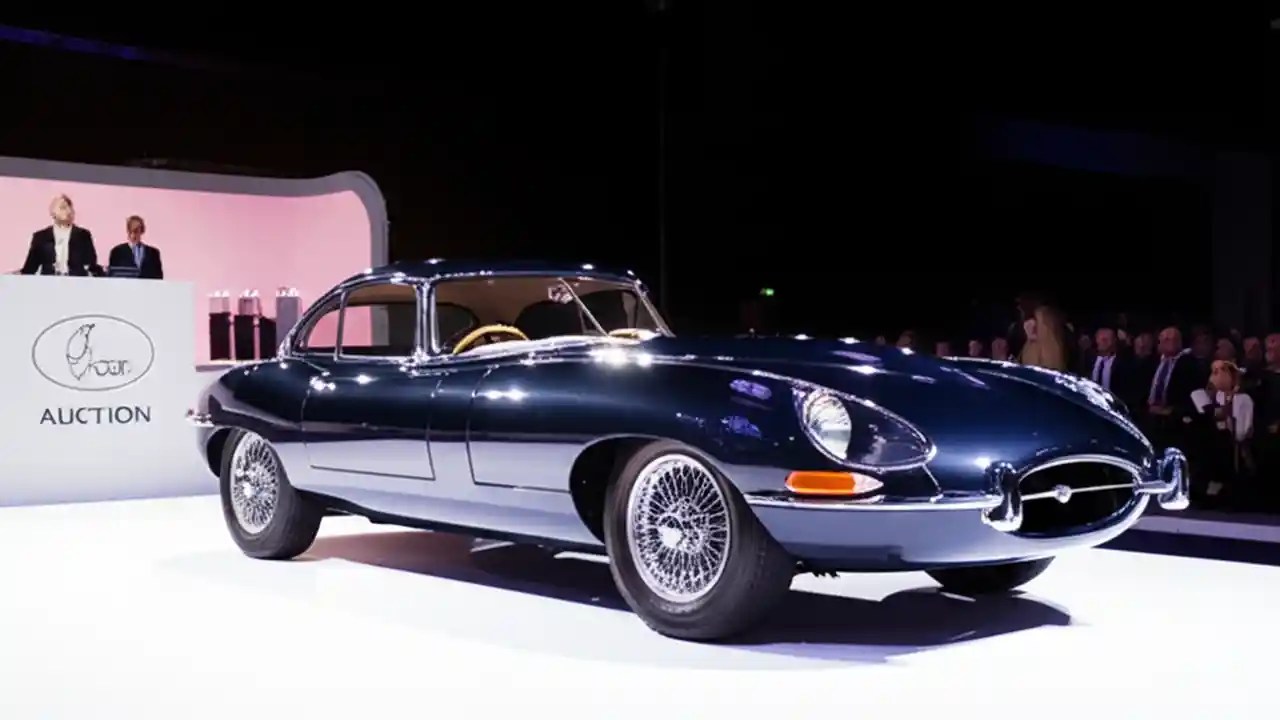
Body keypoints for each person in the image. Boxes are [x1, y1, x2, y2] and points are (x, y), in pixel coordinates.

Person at [20, 194, 102, 276]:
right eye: (63, 208)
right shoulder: (41, 237)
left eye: (70, 207)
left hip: (76, 283)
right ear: (53, 213)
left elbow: (91, 264)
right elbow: (29, 268)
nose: (68, 211)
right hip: (48, 284)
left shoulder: (83, 235)